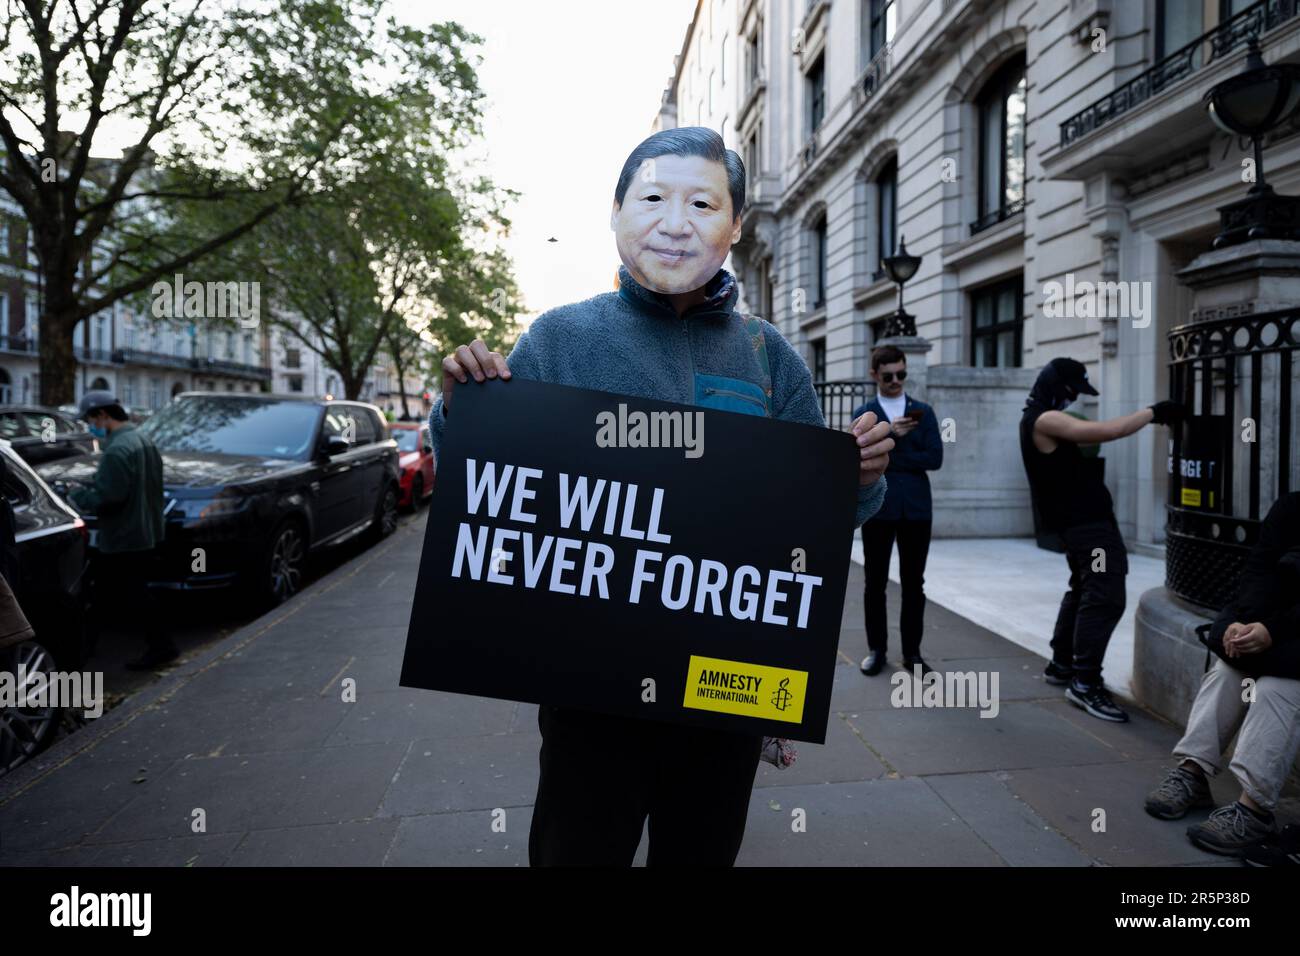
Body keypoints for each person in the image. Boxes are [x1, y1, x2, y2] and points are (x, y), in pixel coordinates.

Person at [428, 127, 894, 866]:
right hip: (589, 688)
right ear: (615, 213)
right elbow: (479, 488)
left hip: (725, 691)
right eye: (651, 198)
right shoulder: (557, 339)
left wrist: (861, 481)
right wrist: (463, 413)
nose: (675, 224)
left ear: (734, 227)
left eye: (704, 204)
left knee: (700, 853)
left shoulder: (770, 356)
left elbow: (821, 517)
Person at [1019, 358, 1182, 722]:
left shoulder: (1040, 416)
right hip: (1088, 531)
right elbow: (1108, 431)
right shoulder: (1043, 418)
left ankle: (1063, 665)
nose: (1075, 398)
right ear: (1058, 386)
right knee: (1104, 595)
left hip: (1083, 526)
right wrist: (1153, 412)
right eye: (1073, 390)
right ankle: (1085, 682)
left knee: (1083, 589)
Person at [1144, 492, 1300, 857]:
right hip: (1279, 635)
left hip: (1287, 644)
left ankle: (1254, 811)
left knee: (1277, 688)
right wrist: (1240, 623)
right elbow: (1258, 571)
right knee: (1230, 670)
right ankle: (1193, 773)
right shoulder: (1292, 507)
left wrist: (1271, 632)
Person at [852, 345, 943, 677]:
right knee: (874, 582)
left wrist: (893, 452)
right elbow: (858, 458)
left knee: (914, 583)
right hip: (879, 508)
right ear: (874, 374)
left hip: (917, 510)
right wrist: (891, 433)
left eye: (901, 374)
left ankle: (913, 654)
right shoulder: (866, 413)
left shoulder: (923, 412)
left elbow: (935, 458)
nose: (896, 381)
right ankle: (877, 650)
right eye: (888, 375)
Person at [69, 390, 176, 671]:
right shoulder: (142, 439)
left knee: (127, 594)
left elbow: (109, 499)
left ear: (103, 415)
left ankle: (159, 647)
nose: (90, 426)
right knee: (127, 592)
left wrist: (77, 496)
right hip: (147, 530)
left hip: (124, 535)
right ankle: (158, 645)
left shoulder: (117, 449)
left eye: (91, 419)